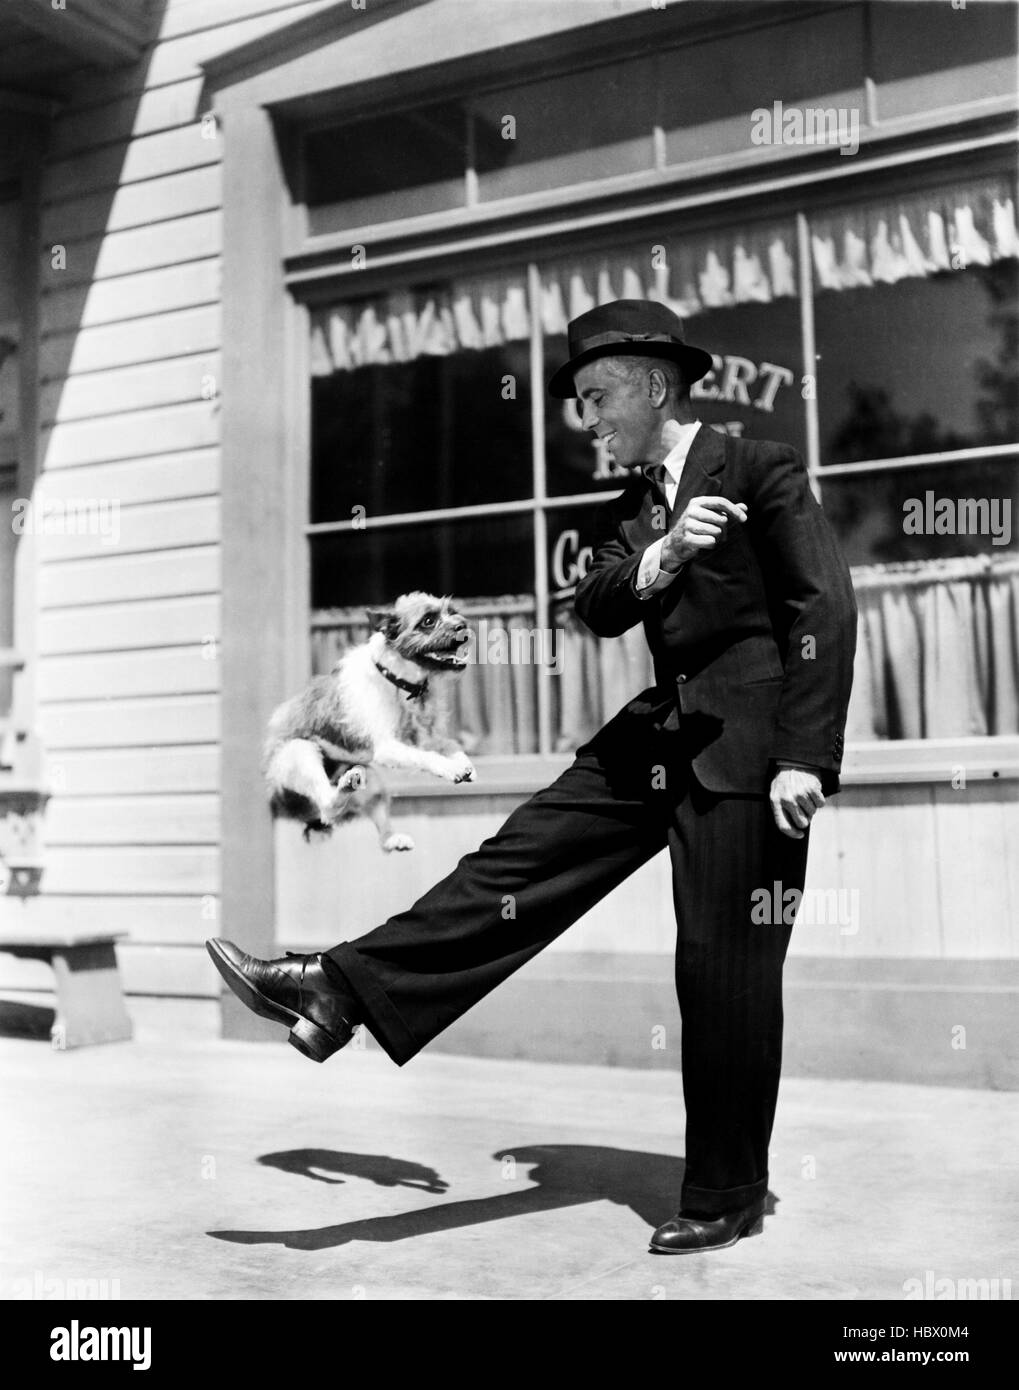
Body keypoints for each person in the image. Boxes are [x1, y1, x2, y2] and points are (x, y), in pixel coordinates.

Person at [208, 298, 857, 1254]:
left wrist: (804, 756)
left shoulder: (758, 469)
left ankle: (724, 1194)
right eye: (580, 400)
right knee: (516, 861)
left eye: (597, 396)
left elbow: (823, 609)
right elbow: (593, 604)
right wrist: (665, 552)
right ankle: (338, 987)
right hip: (661, 736)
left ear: (655, 383)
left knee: (720, 973)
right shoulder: (629, 512)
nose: (587, 418)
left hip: (754, 758)